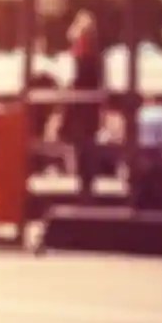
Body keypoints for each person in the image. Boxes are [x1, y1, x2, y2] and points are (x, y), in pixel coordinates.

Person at [64, 11, 104, 199]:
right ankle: (86, 182)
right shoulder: (94, 58)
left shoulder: (84, 59)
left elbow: (78, 82)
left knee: (83, 145)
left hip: (82, 107)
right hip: (86, 107)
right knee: (85, 145)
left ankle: (85, 182)